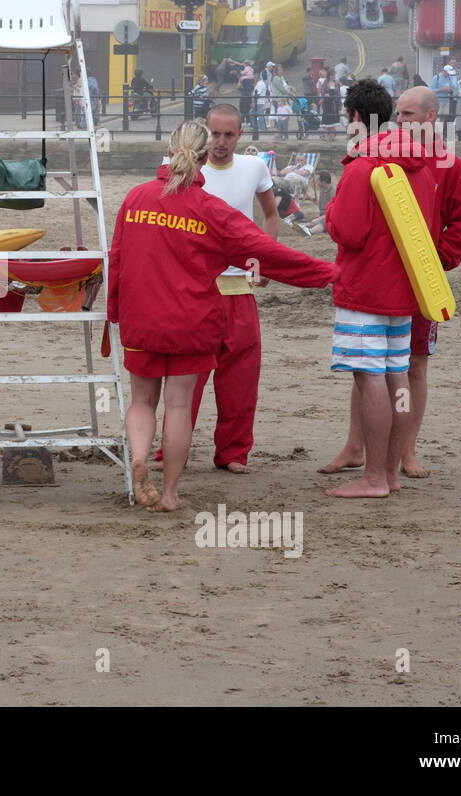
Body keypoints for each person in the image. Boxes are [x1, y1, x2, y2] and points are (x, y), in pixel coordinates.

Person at [109, 118, 337, 511]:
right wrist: (331, 275)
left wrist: (115, 312)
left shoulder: (135, 199)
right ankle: (170, 494)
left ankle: (140, 458)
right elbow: (269, 254)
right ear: (201, 157)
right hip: (190, 321)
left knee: (142, 401)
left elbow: (117, 259)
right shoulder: (211, 210)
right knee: (179, 404)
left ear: (168, 150)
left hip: (141, 318)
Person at [320, 86, 461, 480]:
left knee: (411, 368)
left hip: (419, 286)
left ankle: (405, 452)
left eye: (408, 114)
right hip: (386, 282)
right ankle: (356, 447)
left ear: (431, 118)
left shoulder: (447, 165)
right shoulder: (383, 157)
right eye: (398, 113)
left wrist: (434, 260)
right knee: (372, 370)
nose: (400, 120)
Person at [151, 103, 281, 475]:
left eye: (229, 134)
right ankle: (172, 451)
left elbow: (271, 215)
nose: (221, 142)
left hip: (240, 289)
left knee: (240, 378)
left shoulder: (255, 167)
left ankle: (234, 453)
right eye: (216, 134)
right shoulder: (182, 167)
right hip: (196, 289)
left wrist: (265, 259)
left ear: (240, 135)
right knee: (186, 378)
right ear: (204, 133)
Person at [298, 169, 337, 235]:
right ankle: (304, 227)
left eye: (317, 180)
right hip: (323, 215)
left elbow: (332, 212)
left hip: (332, 217)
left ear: (323, 182)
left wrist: (318, 219)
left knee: (322, 222)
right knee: (312, 221)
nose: (315, 182)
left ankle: (310, 231)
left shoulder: (333, 193)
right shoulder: (322, 189)